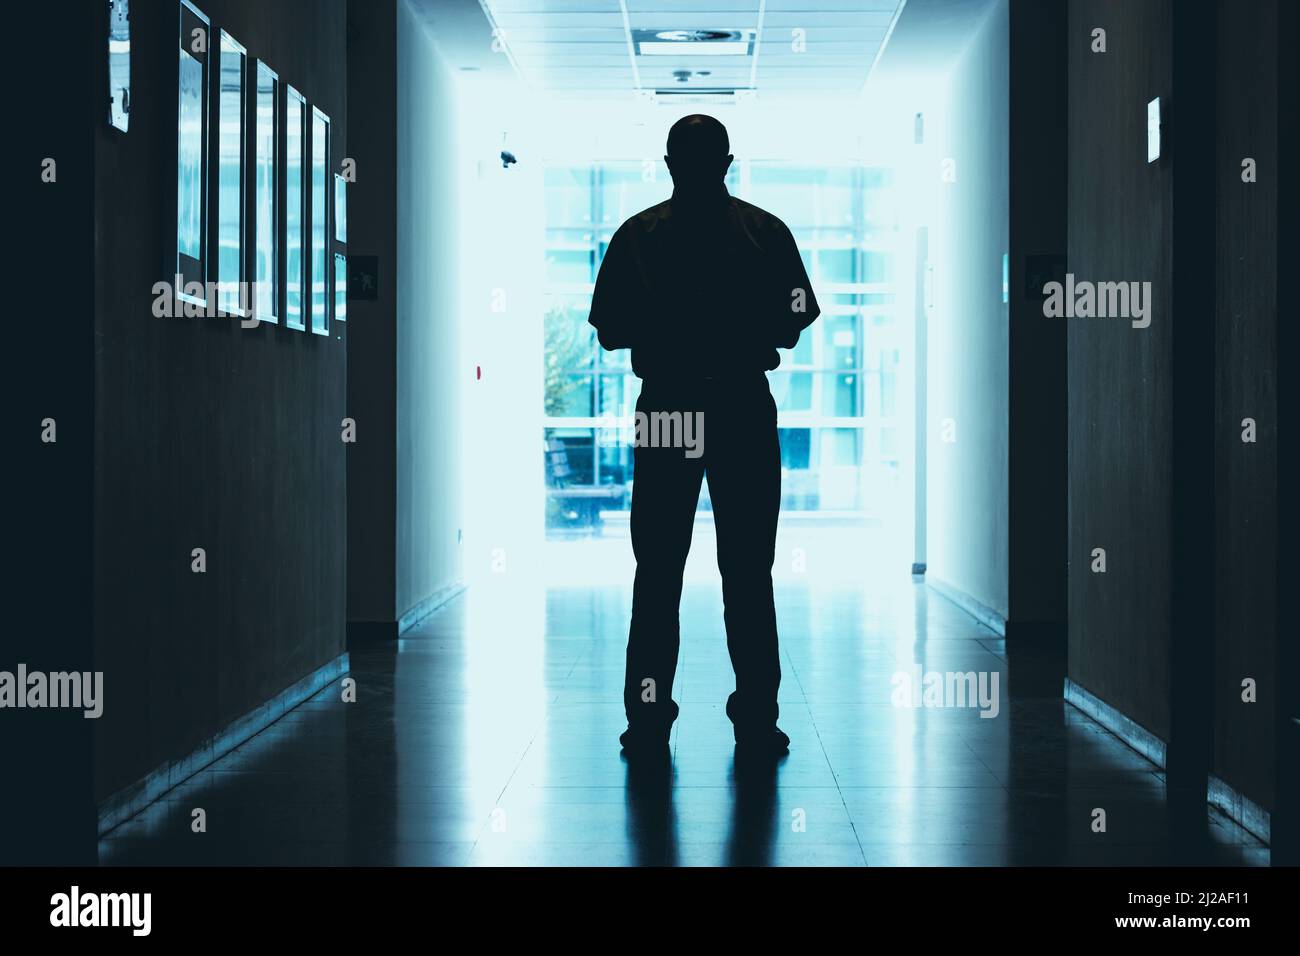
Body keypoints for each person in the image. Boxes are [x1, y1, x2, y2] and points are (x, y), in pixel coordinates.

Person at [588, 114, 820, 756]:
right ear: (728, 161)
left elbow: (608, 326)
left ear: (668, 162)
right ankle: (755, 716)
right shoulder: (765, 232)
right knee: (749, 568)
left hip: (668, 402)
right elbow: (796, 317)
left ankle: (649, 716)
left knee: (657, 568)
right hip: (743, 403)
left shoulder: (638, 236)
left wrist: (666, 328)